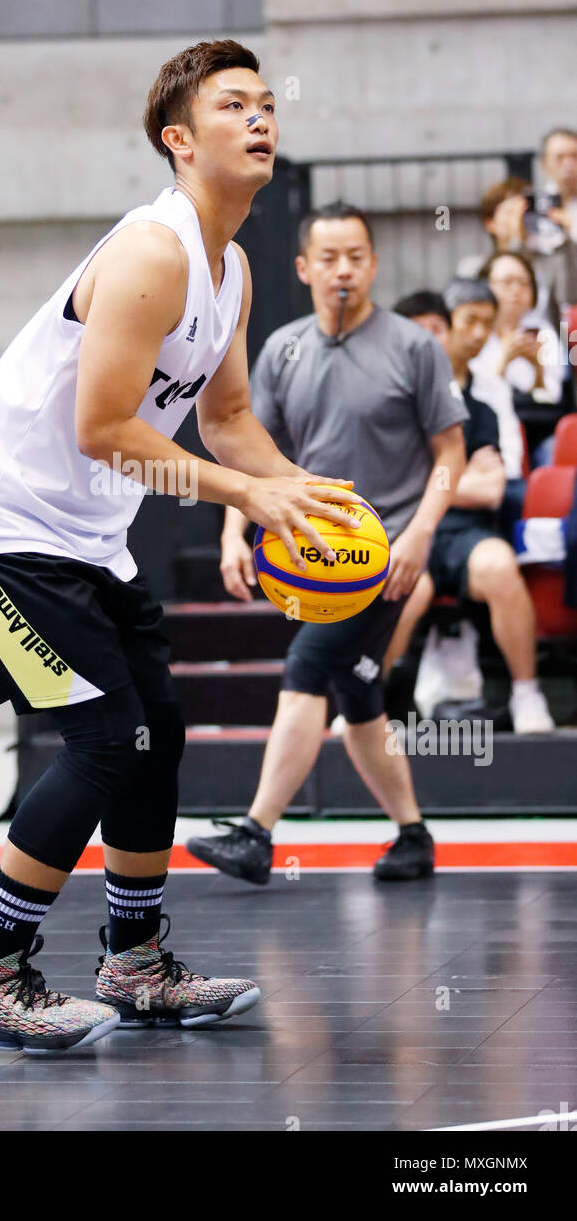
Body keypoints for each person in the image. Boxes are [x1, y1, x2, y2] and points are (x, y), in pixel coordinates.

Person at [0, 39, 364, 1054]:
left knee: (156, 726)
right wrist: (243, 493)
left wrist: (294, 491)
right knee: (106, 740)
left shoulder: (232, 268)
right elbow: (103, 428)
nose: (258, 117)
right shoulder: (153, 251)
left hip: (84, 541)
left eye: (266, 102)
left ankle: (133, 958)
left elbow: (229, 417)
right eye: (231, 103)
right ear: (177, 139)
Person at [185, 202, 467, 887]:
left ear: (373, 264)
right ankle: (414, 834)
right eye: (330, 258)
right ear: (305, 267)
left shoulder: (414, 347)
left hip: (380, 559)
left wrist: (420, 536)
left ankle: (256, 833)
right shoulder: (283, 348)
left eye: (357, 257)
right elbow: (249, 452)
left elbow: (450, 454)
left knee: (307, 670)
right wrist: (233, 531)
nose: (344, 270)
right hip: (308, 554)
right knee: (358, 695)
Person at [388, 286, 554, 734]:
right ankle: (365, 702)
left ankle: (526, 693)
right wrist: (457, 480)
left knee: (500, 567)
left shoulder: (476, 408)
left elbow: (491, 490)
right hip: (403, 532)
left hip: (467, 534)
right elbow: (384, 483)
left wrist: (420, 480)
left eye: (435, 331)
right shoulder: (388, 407)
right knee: (406, 588)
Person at [473, 251, 573, 466]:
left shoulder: (542, 332)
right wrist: (503, 361)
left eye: (524, 283)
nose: (516, 290)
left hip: (539, 432)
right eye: (507, 282)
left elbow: (552, 400)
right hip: (488, 434)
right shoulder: (475, 334)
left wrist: (538, 368)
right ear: (484, 285)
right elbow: (476, 395)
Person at [457, 176, 577, 318]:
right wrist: (515, 241)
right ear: (490, 223)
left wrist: (568, 234)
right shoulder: (473, 267)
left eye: (525, 213)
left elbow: (569, 300)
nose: (519, 220)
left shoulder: (548, 263)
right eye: (509, 213)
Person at [539, 127, 577, 243]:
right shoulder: (534, 205)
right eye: (559, 157)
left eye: (575, 156)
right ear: (544, 163)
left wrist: (572, 225)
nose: (568, 164)